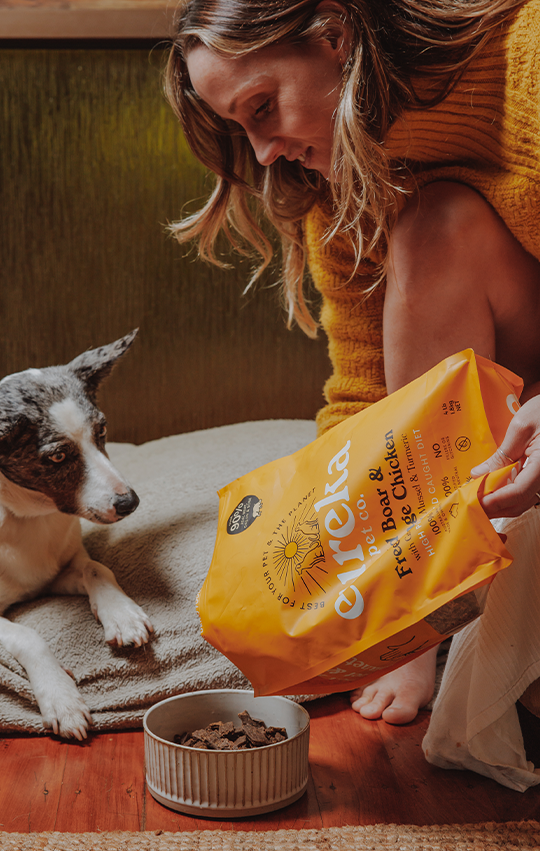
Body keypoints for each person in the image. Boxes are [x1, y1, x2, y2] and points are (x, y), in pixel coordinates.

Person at [164, 0, 540, 725]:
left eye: (263, 106)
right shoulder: (333, 188)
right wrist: (322, 547)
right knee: (428, 223)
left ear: (336, 37)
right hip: (512, 403)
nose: (265, 150)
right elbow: (367, 394)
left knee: (436, 222)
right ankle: (421, 618)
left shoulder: (529, 63)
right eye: (242, 129)